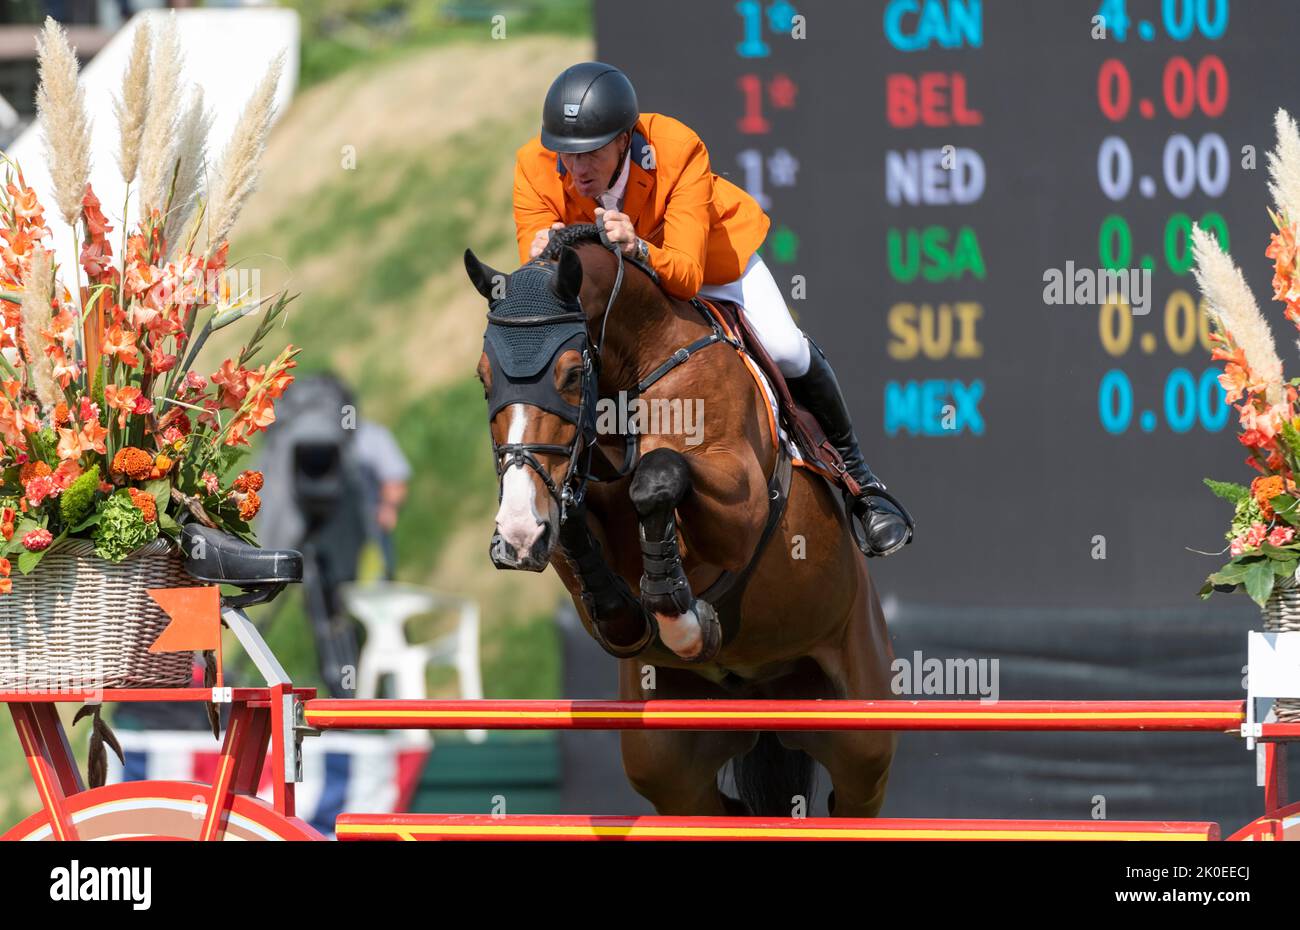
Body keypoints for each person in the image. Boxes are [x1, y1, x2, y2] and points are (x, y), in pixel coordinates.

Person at [512, 61, 912, 557]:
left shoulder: (676, 149)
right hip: (619, 297)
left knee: (787, 350)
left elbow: (683, 274)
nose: (578, 170)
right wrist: (539, 257)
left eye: (592, 153)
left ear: (624, 139)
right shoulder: (533, 166)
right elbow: (541, 284)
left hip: (715, 266)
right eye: (568, 156)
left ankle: (862, 487)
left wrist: (638, 249)